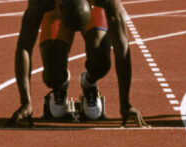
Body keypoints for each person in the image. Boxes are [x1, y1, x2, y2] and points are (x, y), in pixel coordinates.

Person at [9, 0, 146, 127]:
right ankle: (60, 84)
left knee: (101, 59)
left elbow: (121, 47)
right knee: (52, 74)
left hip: (92, 11)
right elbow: (24, 46)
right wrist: (25, 103)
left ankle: (89, 82)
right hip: (54, 13)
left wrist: (125, 104)